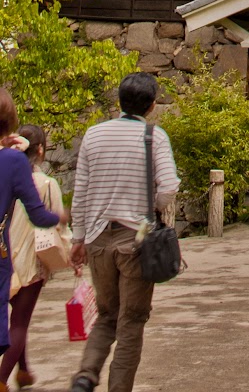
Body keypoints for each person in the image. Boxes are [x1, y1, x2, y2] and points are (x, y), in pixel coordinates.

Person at [68, 72, 180, 392]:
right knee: (131, 321)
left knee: (106, 315)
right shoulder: (153, 137)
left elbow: (82, 193)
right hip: (136, 240)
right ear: (152, 106)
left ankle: (86, 375)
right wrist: (153, 209)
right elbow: (169, 186)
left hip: (97, 240)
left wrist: (78, 239)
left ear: (119, 101)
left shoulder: (93, 135)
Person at [0, 92, 64, 385]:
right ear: (40, 151)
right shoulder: (44, 182)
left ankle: (23, 371)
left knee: (14, 322)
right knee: (20, 324)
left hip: (8, 255)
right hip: (26, 259)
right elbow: (47, 219)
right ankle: (2, 378)